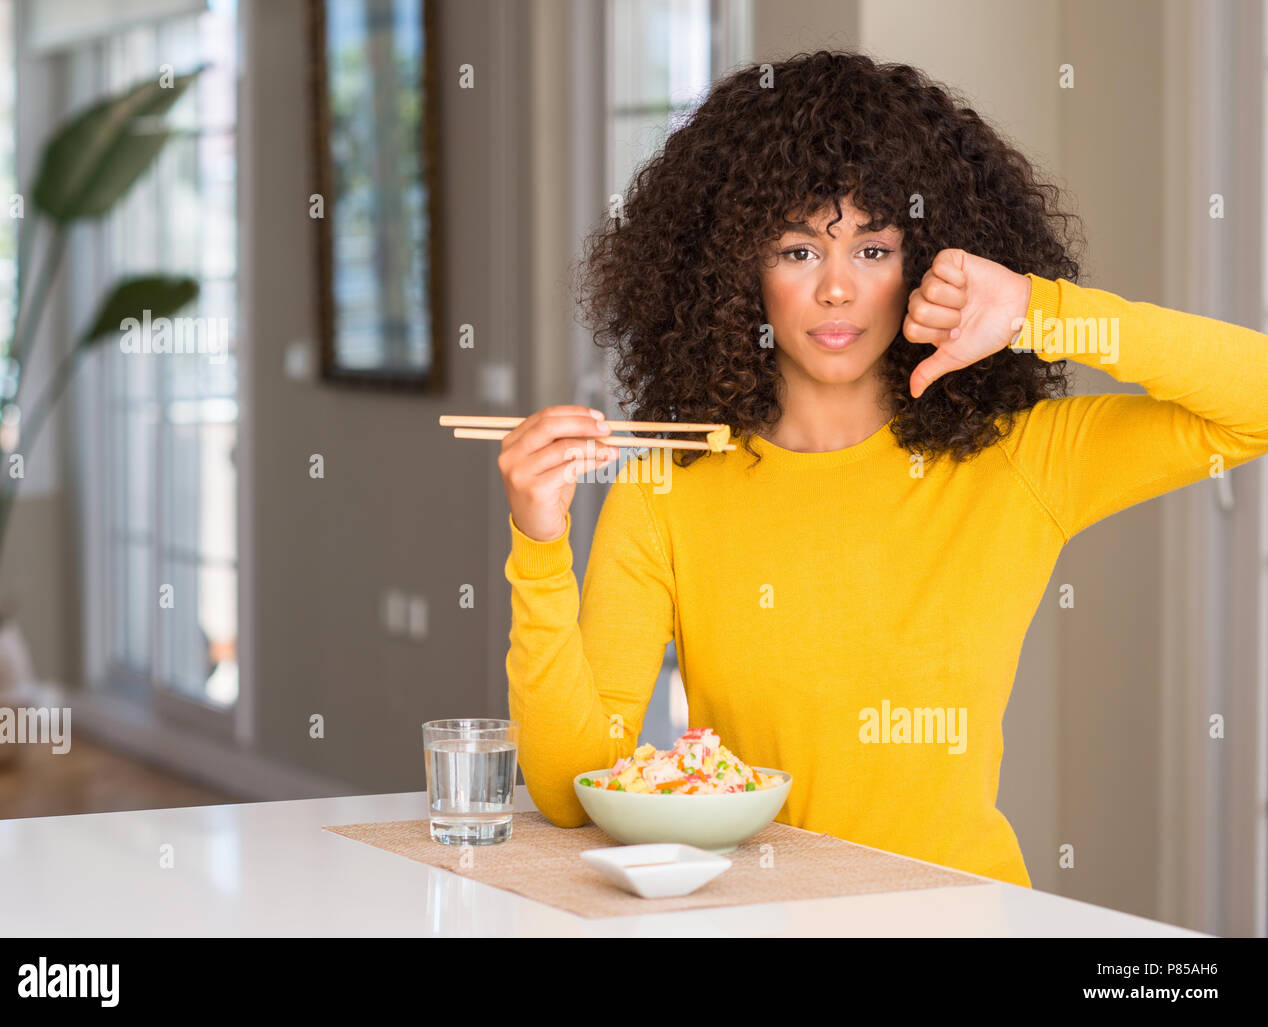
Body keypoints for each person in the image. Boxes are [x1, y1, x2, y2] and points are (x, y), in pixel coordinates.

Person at [495, 50, 1268, 888]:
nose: (835, 289)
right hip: (763, 920)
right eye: (797, 250)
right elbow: (574, 790)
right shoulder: (668, 490)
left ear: (927, 262)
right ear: (734, 271)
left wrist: (1039, 310)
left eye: (873, 250)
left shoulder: (1017, 459)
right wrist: (539, 545)